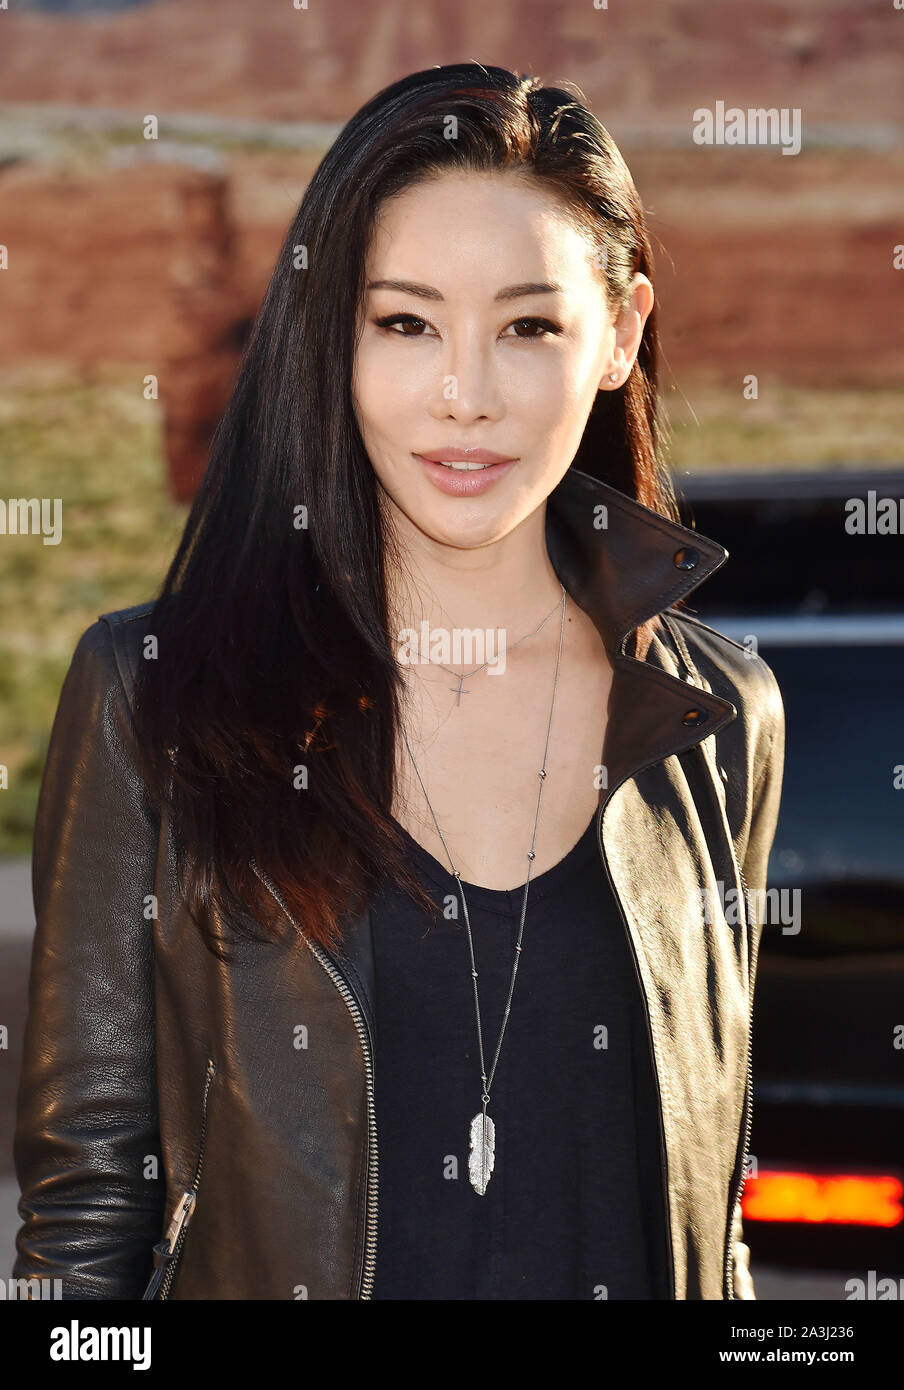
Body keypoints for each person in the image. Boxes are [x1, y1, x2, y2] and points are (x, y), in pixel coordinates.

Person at [11, 62, 784, 1301]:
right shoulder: (155, 695)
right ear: (335, 332)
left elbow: (715, 1209)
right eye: (405, 322)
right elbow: (86, 1214)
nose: (462, 396)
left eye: (528, 326)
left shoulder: (719, 717)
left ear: (619, 334)